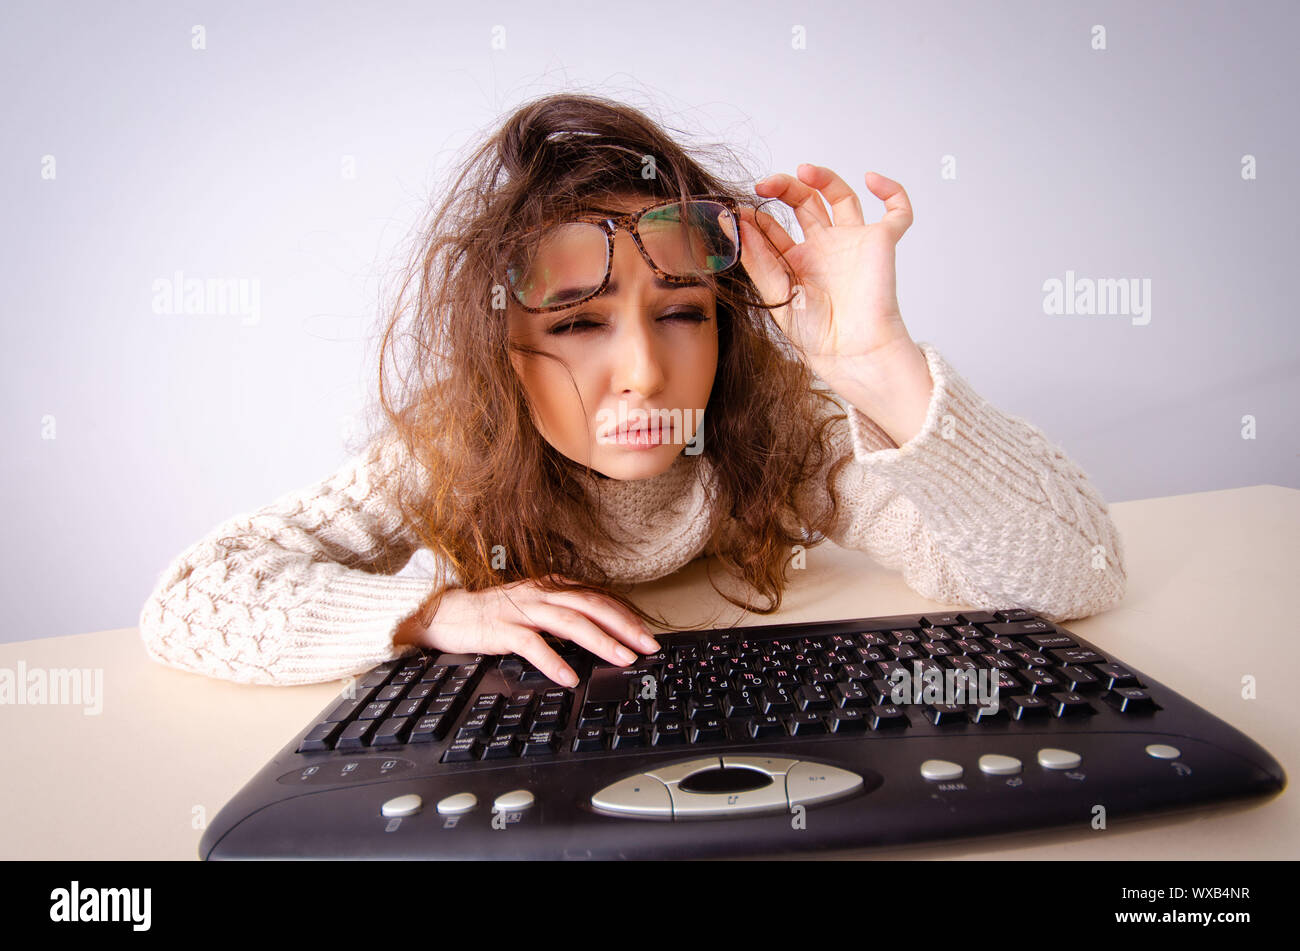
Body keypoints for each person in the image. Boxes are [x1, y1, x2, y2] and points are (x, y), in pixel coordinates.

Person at [138, 92, 1126, 687]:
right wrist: (432, 613)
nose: (646, 371)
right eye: (576, 323)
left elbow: (1078, 571)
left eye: (682, 313)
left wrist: (873, 363)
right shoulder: (454, 443)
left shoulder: (777, 424)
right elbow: (190, 598)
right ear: (506, 355)